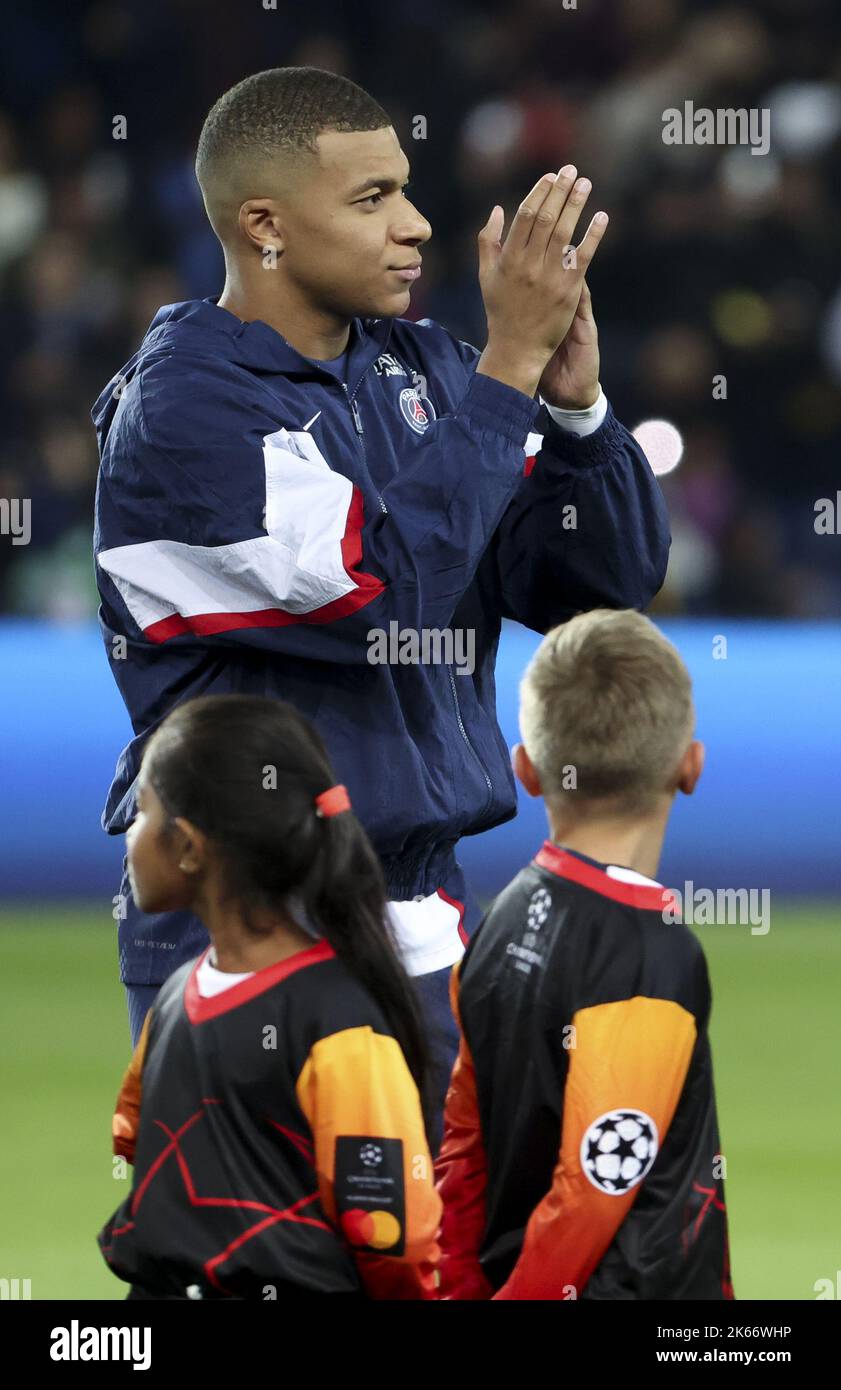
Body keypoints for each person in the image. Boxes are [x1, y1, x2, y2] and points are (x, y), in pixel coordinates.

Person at [91, 66, 670, 1130]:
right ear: (262, 226)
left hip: (427, 907)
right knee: (270, 1262)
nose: (413, 226)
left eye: (405, 189)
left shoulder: (431, 372)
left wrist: (577, 407)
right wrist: (506, 369)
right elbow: (380, 595)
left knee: (447, 1266)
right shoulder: (187, 409)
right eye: (370, 200)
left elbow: (604, 584)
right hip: (251, 919)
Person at [98, 693, 441, 1300]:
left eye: (142, 812)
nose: (128, 835)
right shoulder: (180, 993)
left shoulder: (341, 1027)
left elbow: (392, 1238)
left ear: (188, 847)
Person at [435, 609, 734, 1300]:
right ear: (690, 766)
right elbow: (595, 1189)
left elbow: (462, 1156)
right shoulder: (652, 956)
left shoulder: (498, 924)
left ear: (526, 770)